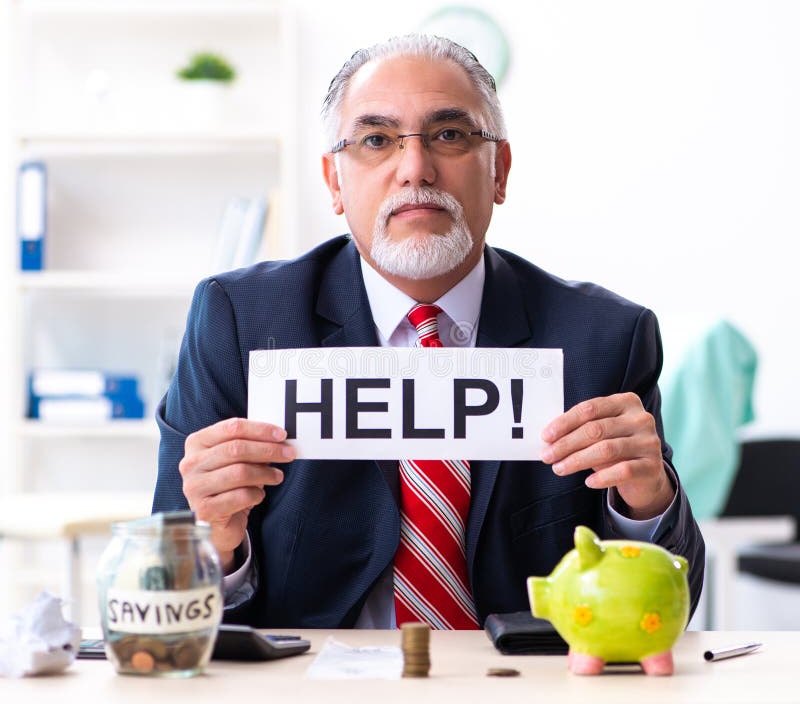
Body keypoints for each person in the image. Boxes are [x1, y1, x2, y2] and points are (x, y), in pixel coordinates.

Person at [153, 34, 704, 628]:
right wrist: (211, 543)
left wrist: (646, 503)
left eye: (449, 134)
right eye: (376, 140)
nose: (414, 169)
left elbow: (668, 611)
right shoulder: (238, 320)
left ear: (500, 171)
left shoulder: (605, 338)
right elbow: (162, 601)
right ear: (334, 183)